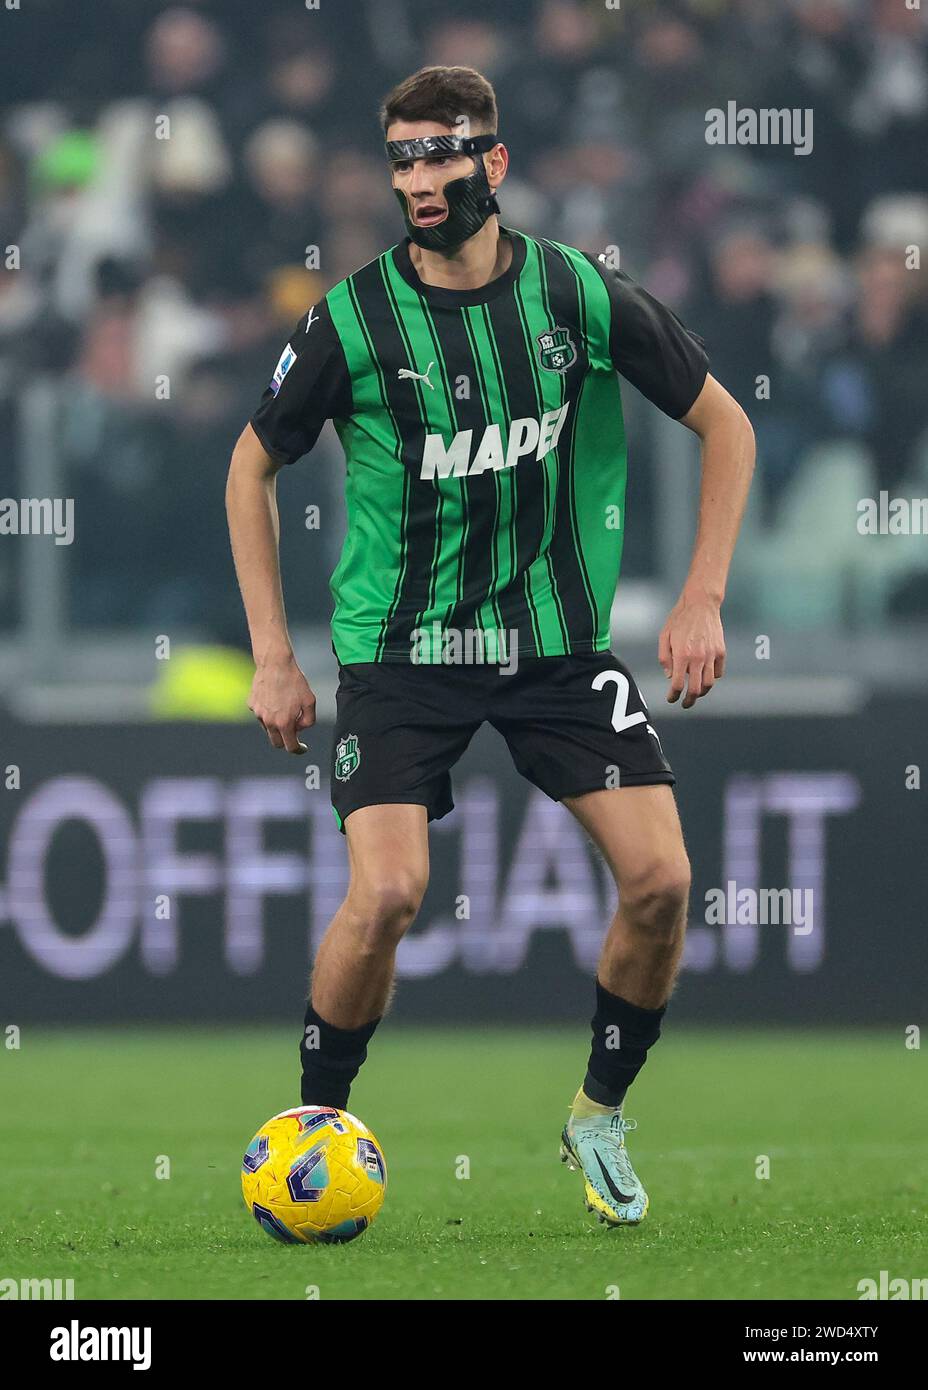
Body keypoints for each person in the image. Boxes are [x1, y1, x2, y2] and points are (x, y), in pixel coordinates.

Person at [226, 65, 755, 1228]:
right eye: (403, 156)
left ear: (493, 165)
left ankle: (597, 1115)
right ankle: (317, 1124)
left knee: (663, 880)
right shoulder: (353, 319)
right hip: (401, 650)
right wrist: (273, 651)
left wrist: (703, 596)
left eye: (441, 153)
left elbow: (726, 421)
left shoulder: (576, 295)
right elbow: (250, 463)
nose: (419, 177)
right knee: (390, 894)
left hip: (554, 643)